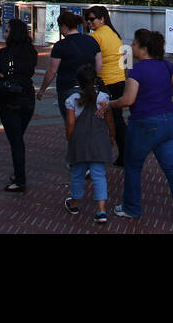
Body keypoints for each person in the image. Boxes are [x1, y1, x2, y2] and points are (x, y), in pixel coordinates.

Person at [106, 29, 173, 223]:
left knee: (133, 166)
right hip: (170, 122)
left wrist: (110, 104)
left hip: (144, 123)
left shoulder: (138, 69)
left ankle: (131, 208)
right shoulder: (166, 65)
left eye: (134, 44)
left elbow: (129, 99)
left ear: (143, 48)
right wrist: (162, 95)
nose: (131, 47)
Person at [63, 63, 116, 225]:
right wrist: (112, 136)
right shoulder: (103, 99)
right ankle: (101, 210)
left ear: (78, 81)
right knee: (99, 174)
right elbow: (110, 120)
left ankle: (75, 202)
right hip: (99, 140)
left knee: (77, 172)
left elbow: (70, 123)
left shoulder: (72, 99)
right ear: (95, 80)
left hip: (79, 140)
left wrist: (70, 139)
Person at [0, 18, 38, 193]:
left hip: (11, 98)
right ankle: (18, 174)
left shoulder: (7, 53)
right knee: (18, 137)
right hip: (28, 97)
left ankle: (20, 179)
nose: (4, 34)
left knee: (16, 141)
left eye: (6, 31)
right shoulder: (31, 51)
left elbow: (5, 72)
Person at [85, 5, 127, 166]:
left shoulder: (95, 37)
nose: (89, 22)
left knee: (104, 119)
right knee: (117, 118)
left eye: (92, 19)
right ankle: (124, 152)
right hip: (119, 80)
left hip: (105, 82)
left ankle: (111, 153)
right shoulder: (114, 34)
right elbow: (124, 58)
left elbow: (92, 61)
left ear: (102, 19)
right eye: (87, 19)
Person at [37, 10, 101, 109]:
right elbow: (99, 65)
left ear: (64, 26)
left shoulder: (60, 46)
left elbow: (52, 71)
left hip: (67, 88)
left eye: (59, 26)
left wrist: (42, 90)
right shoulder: (92, 41)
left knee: (70, 120)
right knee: (87, 119)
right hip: (89, 88)